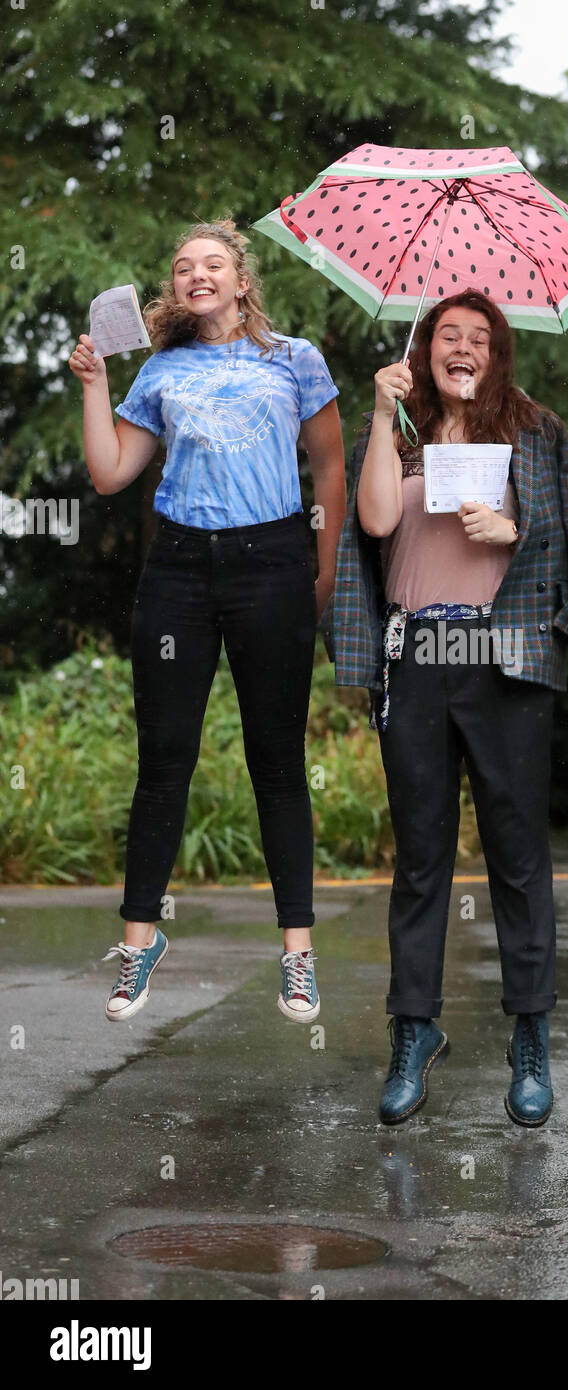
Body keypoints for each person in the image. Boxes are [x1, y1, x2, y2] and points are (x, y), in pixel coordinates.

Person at [67, 219, 346, 1025]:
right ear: (176, 287)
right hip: (181, 569)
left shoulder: (295, 359)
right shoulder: (161, 369)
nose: (197, 274)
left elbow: (328, 464)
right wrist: (93, 384)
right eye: (184, 266)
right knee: (164, 760)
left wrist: (322, 563)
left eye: (212, 264)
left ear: (240, 280)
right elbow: (111, 471)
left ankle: (297, 955)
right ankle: (138, 944)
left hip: (273, 563)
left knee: (277, 760)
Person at [329, 290, 568, 1126]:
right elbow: (372, 521)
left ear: (497, 354)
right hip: (417, 659)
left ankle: (530, 1037)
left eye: (480, 338)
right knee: (421, 859)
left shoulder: (535, 431)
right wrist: (380, 410)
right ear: (425, 347)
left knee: (518, 856)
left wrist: (513, 531)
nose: (465, 347)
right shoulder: (398, 429)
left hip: (500, 655)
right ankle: (415, 1030)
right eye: (450, 335)